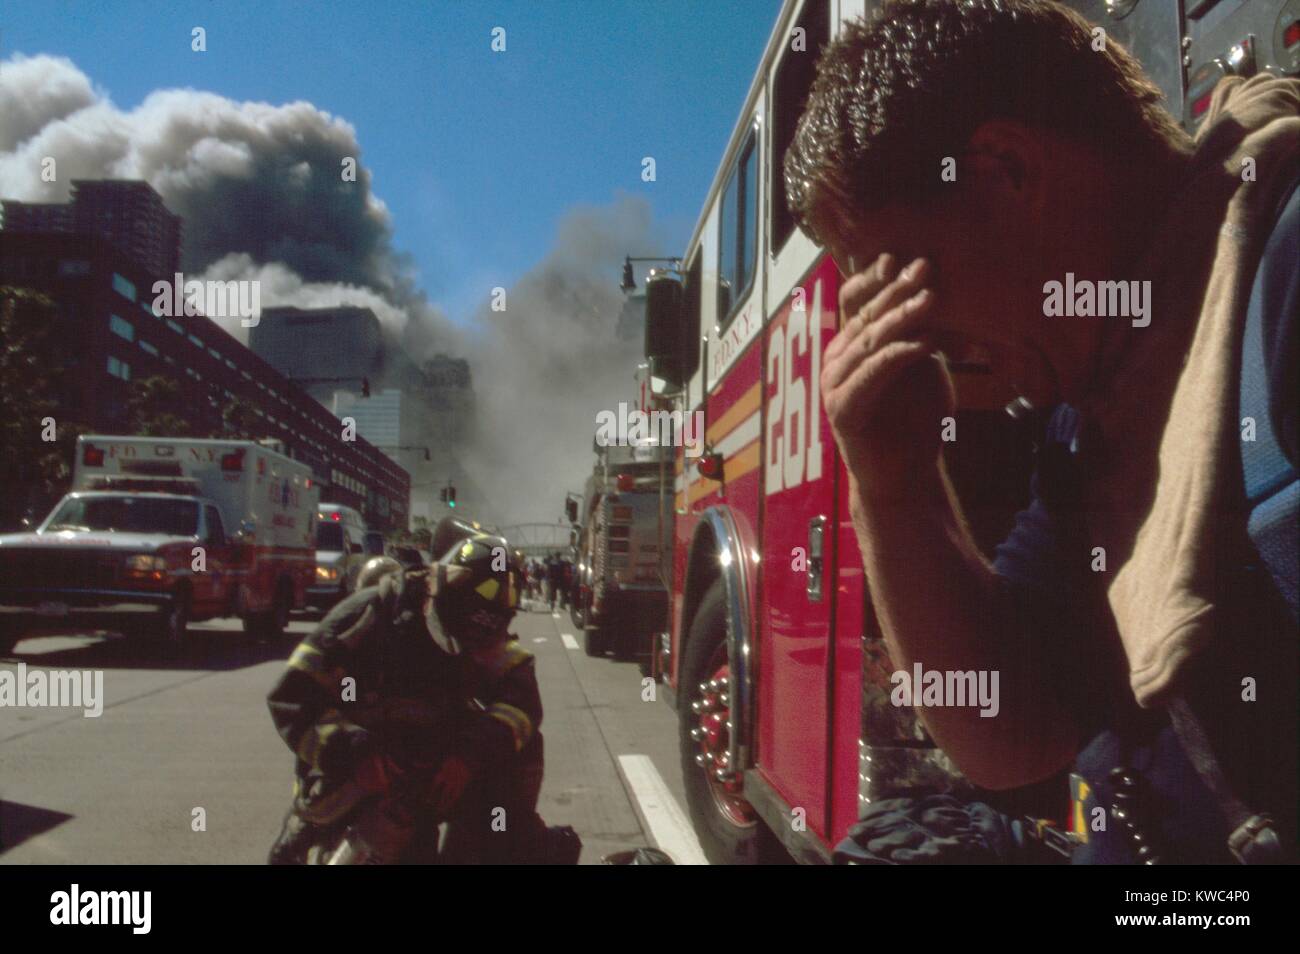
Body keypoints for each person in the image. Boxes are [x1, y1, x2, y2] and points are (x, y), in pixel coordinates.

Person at [785, 0, 1297, 862]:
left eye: (905, 273)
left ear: (1006, 172)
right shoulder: (1090, 423)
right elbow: (1006, 730)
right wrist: (895, 481)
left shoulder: (1281, 286)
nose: (921, 339)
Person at [266, 518, 571, 864]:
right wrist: (354, 751)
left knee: (521, 755)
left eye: (477, 642)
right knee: (330, 813)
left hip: (424, 772)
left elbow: (521, 706)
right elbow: (290, 698)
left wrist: (468, 756)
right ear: (435, 589)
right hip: (352, 763)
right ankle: (307, 830)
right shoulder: (367, 618)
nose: (463, 649)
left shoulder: (485, 639)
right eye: (458, 635)